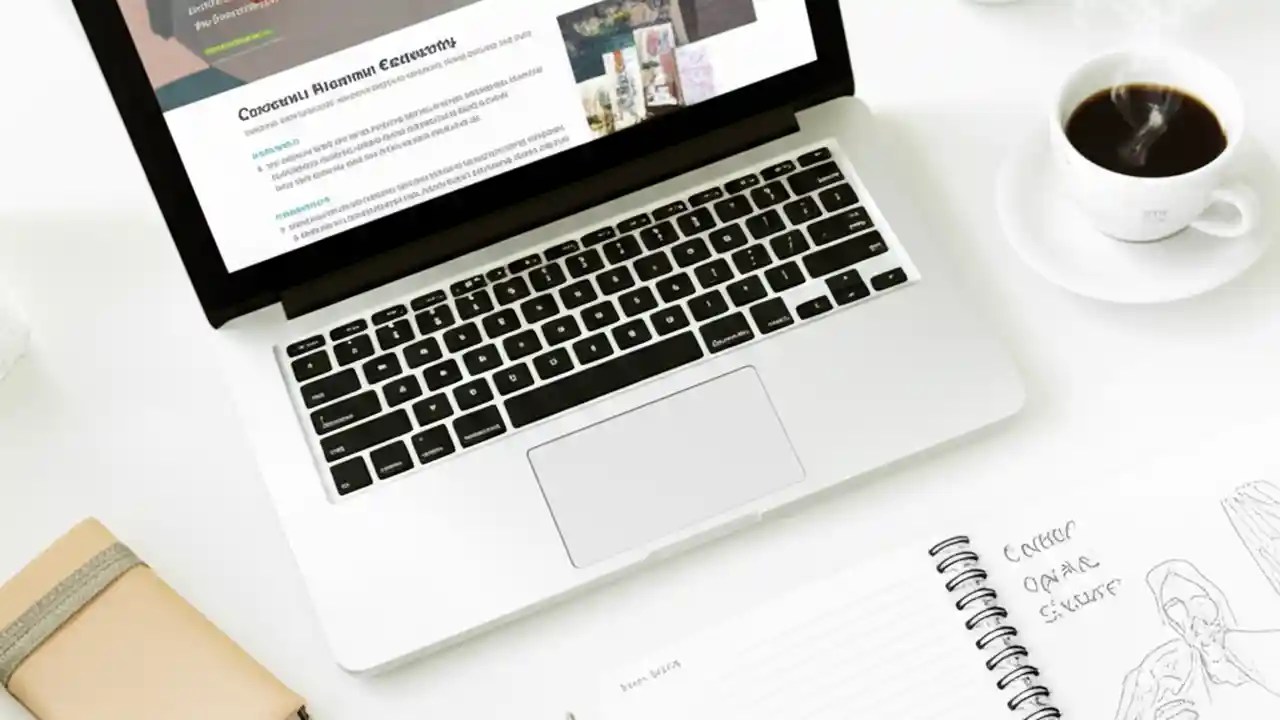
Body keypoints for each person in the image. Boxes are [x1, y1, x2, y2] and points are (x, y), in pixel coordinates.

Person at [1115, 560, 1280, 720]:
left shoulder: (1259, 646)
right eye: (1174, 607)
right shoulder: (1166, 667)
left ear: (1215, 599)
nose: (1193, 614)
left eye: (1200, 600)